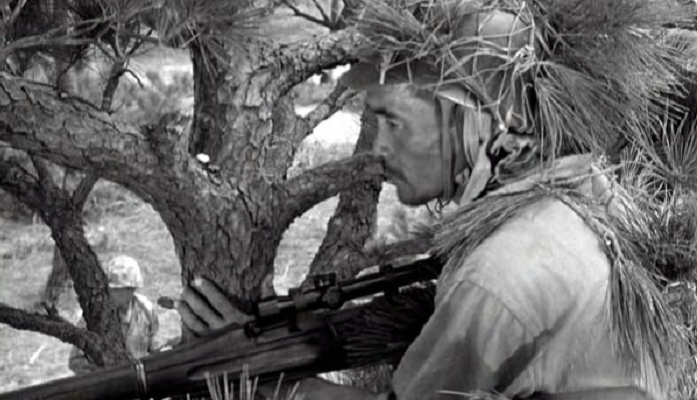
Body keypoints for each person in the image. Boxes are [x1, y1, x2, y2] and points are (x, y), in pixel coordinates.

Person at [177, 1, 689, 399]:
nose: (377, 147)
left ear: (472, 121)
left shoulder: (499, 272)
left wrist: (266, 378)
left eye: (393, 121)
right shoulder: (581, 194)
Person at [69, 255, 161, 374]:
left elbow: (156, 351)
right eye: (113, 289)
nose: (113, 293)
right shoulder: (93, 316)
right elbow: (75, 362)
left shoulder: (146, 310)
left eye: (127, 289)